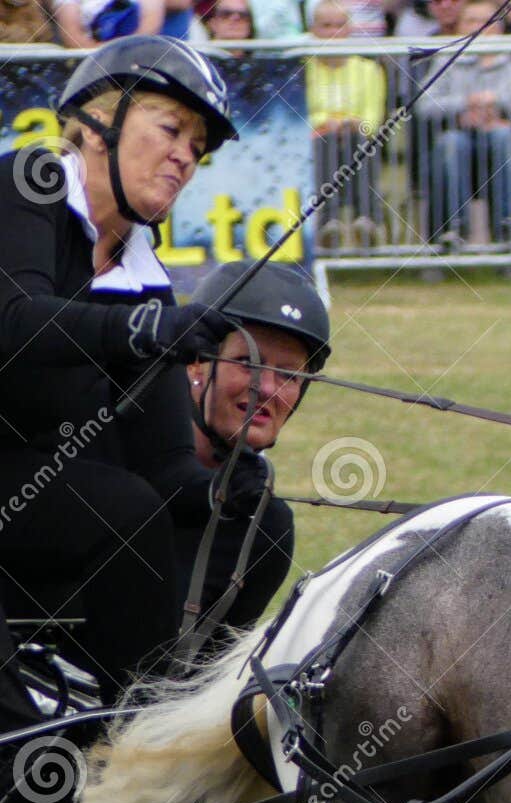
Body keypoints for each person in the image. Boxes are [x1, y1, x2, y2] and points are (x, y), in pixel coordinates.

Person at [0, 35, 240, 699]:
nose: (185, 156)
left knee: (256, 524)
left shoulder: (145, 277)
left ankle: (177, 708)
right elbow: (14, 323)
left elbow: (164, 467)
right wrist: (141, 330)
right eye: (171, 129)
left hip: (36, 495)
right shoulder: (27, 182)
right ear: (98, 122)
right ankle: (142, 723)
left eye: (198, 148)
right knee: (121, 509)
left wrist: (221, 492)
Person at [180, 261, 331, 640]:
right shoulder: (121, 462)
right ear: (196, 363)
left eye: (289, 374)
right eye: (248, 363)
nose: (267, 388)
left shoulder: (266, 529)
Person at [419, 0, 511, 247]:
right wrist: (463, 105)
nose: (479, 27)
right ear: (459, 27)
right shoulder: (446, 61)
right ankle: (454, 229)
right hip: (458, 135)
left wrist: (499, 106)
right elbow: (424, 105)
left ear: (499, 28)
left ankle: (506, 228)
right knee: (451, 142)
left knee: (503, 136)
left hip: (497, 142)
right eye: (471, 21)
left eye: (487, 21)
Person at [306, 0, 387, 246]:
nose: (334, 32)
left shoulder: (369, 70)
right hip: (315, 141)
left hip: (358, 138)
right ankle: (328, 222)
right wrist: (325, 123)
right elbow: (299, 118)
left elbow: (373, 122)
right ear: (313, 30)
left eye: (339, 25)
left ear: (349, 29)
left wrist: (353, 124)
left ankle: (366, 220)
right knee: (328, 140)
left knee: (359, 140)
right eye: (326, 26)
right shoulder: (302, 70)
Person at [54, 0, 164, 46]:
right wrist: (104, 53)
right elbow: (72, 35)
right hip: (91, 59)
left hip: (138, 52)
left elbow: (151, 25)